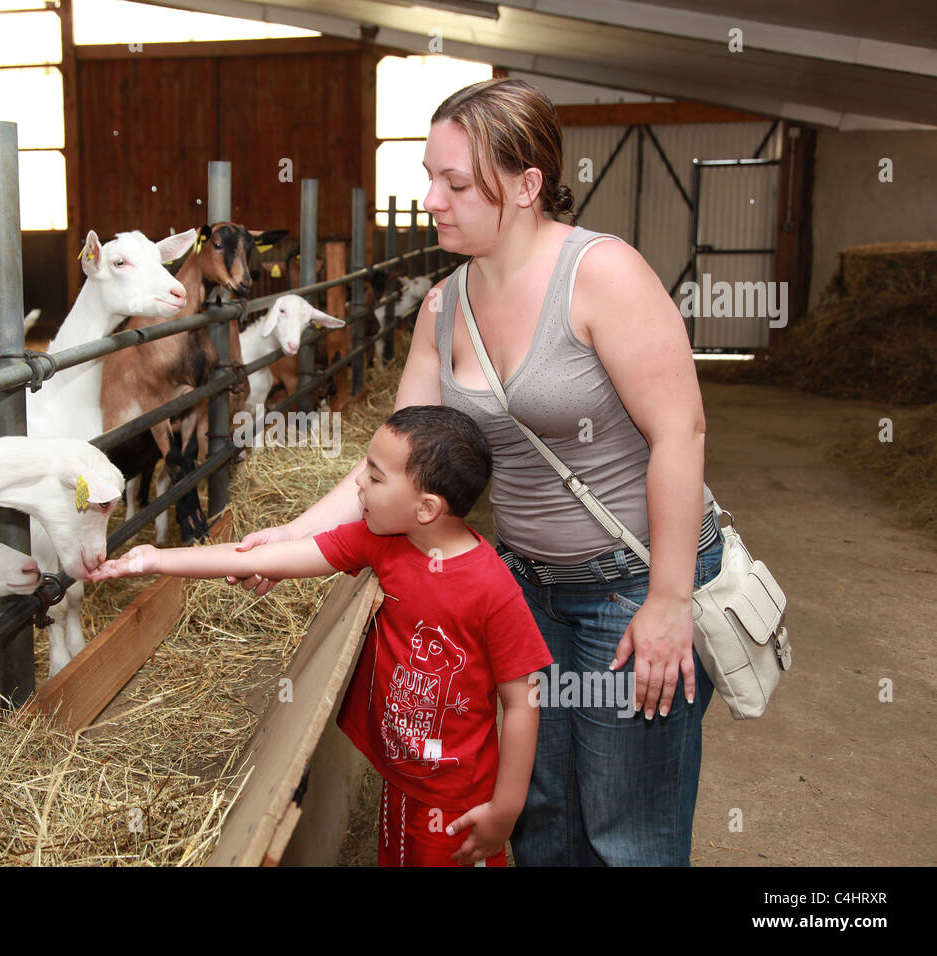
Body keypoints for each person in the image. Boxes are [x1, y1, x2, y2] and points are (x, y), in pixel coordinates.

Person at [226, 78, 725, 866]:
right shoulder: (442, 306)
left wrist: (668, 601)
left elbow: (681, 431)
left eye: (455, 183)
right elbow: (391, 458)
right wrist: (289, 537)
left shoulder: (602, 274)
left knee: (626, 830)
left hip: (630, 581)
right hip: (522, 585)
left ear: (528, 186)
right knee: (540, 813)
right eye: (429, 176)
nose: (431, 198)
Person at [89, 406, 554, 866]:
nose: (358, 485)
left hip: (455, 799)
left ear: (426, 507)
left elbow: (522, 700)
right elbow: (262, 559)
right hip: (400, 774)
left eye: (374, 477)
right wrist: (153, 560)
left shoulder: (492, 587)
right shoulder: (381, 542)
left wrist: (505, 809)